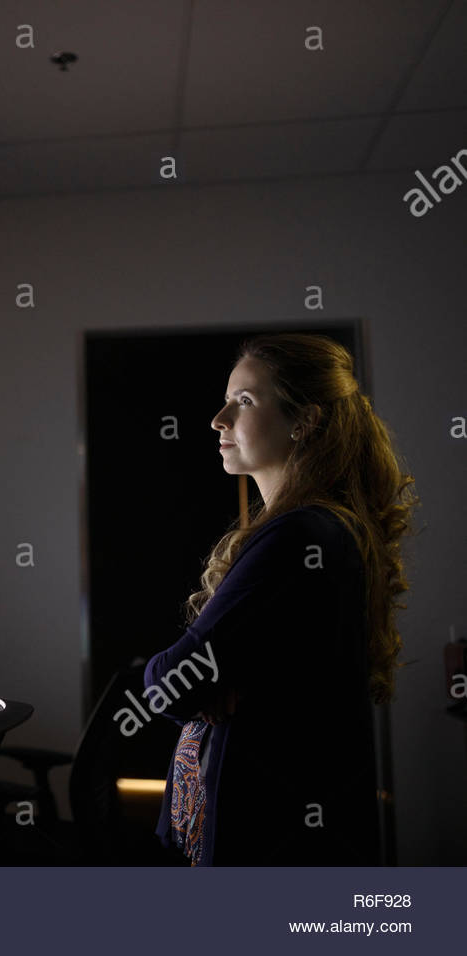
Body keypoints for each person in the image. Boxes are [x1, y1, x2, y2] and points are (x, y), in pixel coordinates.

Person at [145, 333, 417, 865]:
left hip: (271, 840)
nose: (218, 418)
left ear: (304, 421)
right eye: (227, 399)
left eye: (244, 401)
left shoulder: (302, 535)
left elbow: (168, 685)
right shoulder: (321, 527)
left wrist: (191, 680)